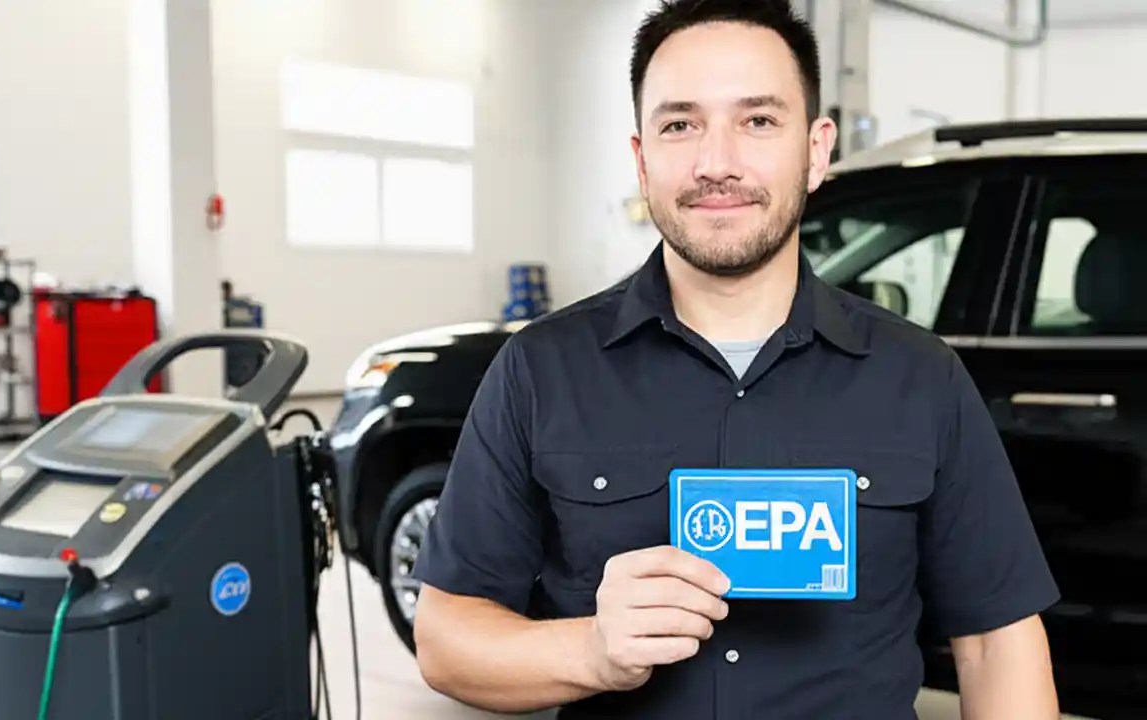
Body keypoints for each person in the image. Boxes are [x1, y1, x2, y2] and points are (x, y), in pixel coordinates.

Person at [409, 0, 1061, 717]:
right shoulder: (540, 371)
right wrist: (590, 651)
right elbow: (445, 637)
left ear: (816, 151)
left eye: (757, 121)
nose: (716, 164)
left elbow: (997, 644)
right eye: (680, 125)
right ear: (642, 160)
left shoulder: (921, 377)